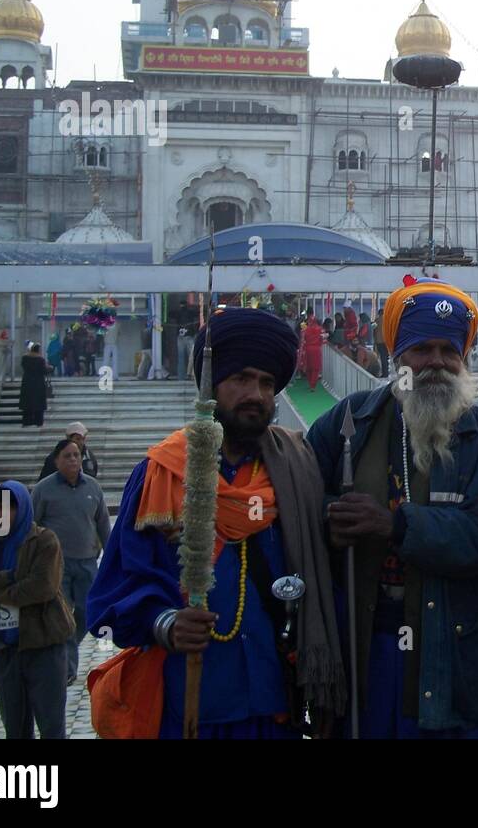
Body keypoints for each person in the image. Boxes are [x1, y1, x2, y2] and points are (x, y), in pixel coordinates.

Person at [87, 307, 345, 738]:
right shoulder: (163, 473)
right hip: (190, 701)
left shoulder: (295, 467)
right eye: (241, 378)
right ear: (211, 386)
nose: (256, 394)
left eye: (267, 383)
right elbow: (114, 590)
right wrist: (165, 623)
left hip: (272, 703)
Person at [306, 277, 478, 739]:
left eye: (448, 351)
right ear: (397, 356)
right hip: (365, 649)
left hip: (451, 652)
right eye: (422, 349)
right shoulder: (349, 422)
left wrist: (394, 525)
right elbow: (299, 503)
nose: (435, 362)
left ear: (463, 360)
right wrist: (329, 519)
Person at [0, 481, 74, 739]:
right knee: (16, 729)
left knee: (52, 727)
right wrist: (9, 577)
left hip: (43, 645)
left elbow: (42, 586)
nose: (1, 513)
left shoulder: (43, 541)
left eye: (8, 507)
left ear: (21, 508)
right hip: (5, 649)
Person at [32, 438, 112, 684]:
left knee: (88, 612)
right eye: (67, 456)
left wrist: (112, 555)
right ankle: (67, 668)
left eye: (76, 455)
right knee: (63, 612)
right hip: (58, 564)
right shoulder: (44, 489)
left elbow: (103, 523)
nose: (73, 460)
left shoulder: (93, 487)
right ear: (56, 461)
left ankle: (67, 646)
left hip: (87, 562)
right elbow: (32, 525)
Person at [19, 343, 52, 427]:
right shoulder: (40, 359)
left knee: (27, 403)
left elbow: (23, 366)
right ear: (38, 350)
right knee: (39, 404)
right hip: (38, 384)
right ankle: (38, 421)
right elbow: (44, 371)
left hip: (27, 383)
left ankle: (26, 422)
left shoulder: (25, 358)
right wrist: (50, 368)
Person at [300, 312, 325, 391]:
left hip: (307, 349)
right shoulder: (320, 329)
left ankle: (310, 383)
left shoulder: (305, 329)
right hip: (316, 349)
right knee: (315, 368)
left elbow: (303, 339)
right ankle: (313, 385)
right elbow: (323, 339)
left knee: (308, 367)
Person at [373, 305, 389, 377]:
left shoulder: (376, 321)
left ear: (379, 313)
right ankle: (387, 372)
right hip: (387, 341)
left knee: (383, 357)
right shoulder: (387, 320)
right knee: (387, 357)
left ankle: (385, 373)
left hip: (379, 341)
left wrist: (374, 340)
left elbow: (373, 330)